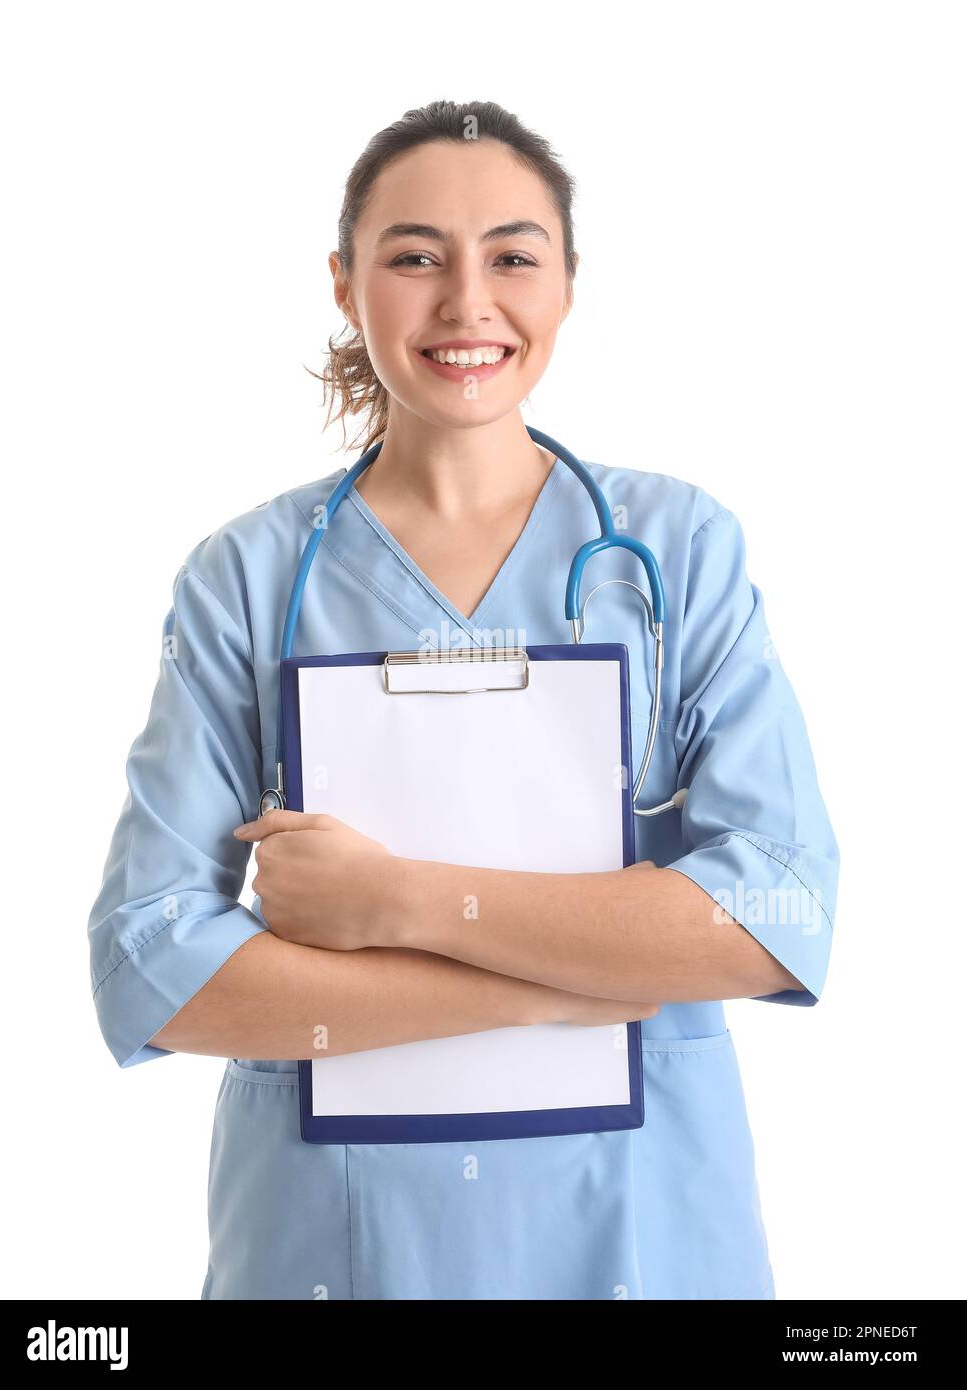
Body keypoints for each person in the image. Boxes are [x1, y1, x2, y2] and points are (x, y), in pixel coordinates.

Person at [87, 98, 840, 1301]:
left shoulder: (677, 551)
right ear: (345, 284)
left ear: (569, 286)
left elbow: (774, 913)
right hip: (338, 1241)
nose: (466, 303)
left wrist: (395, 900)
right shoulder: (247, 577)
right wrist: (572, 977)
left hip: (643, 1233)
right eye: (415, 256)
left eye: (512, 257)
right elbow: (149, 968)